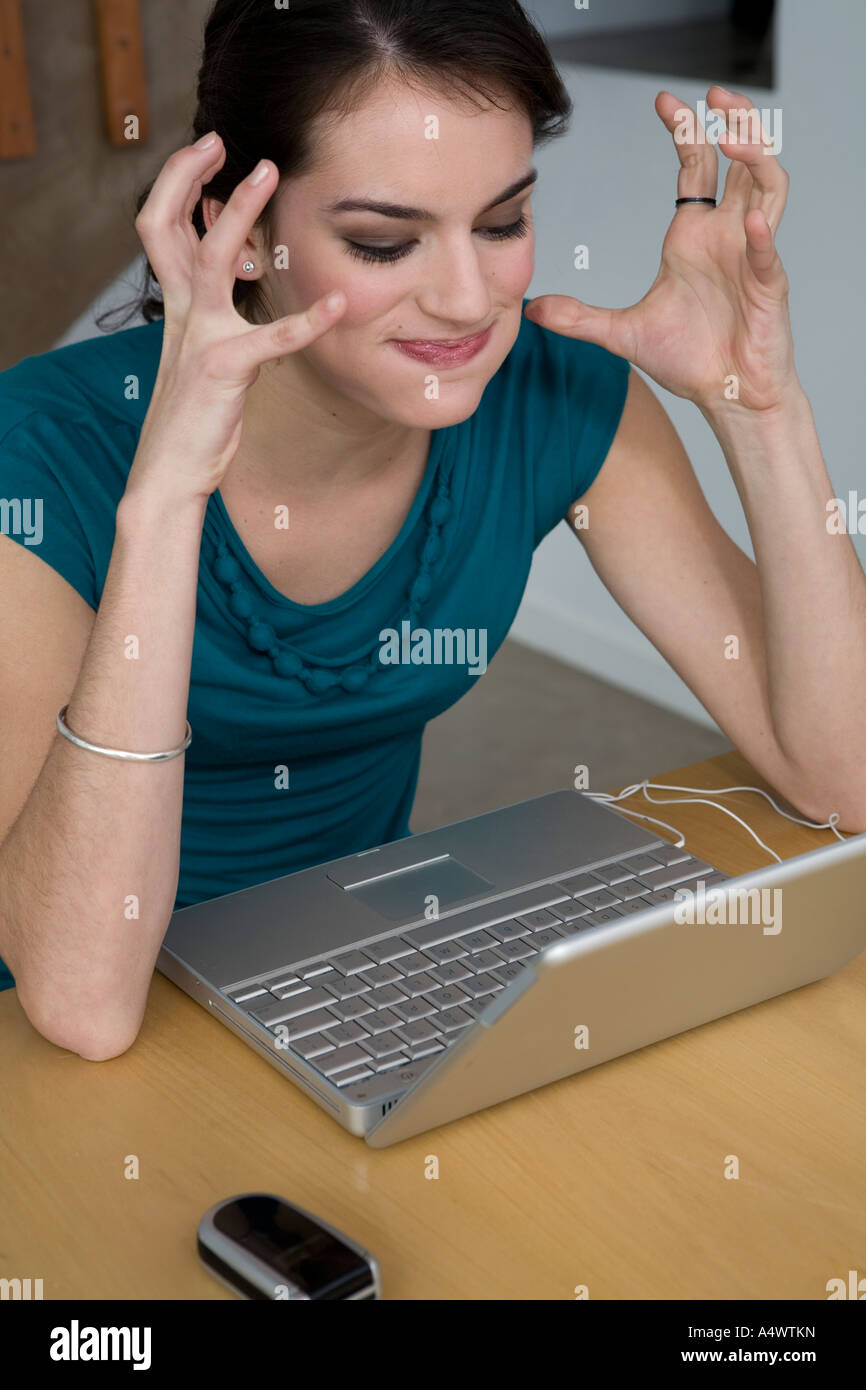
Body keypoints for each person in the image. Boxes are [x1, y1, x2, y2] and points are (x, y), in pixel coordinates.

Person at [0, 0, 863, 1059]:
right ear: (236, 234)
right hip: (69, 1042)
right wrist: (168, 495)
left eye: (500, 223)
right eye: (381, 241)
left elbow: (844, 779)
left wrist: (757, 409)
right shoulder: (39, 453)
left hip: (354, 993)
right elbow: (80, 1002)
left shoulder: (552, 399)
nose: (466, 299)